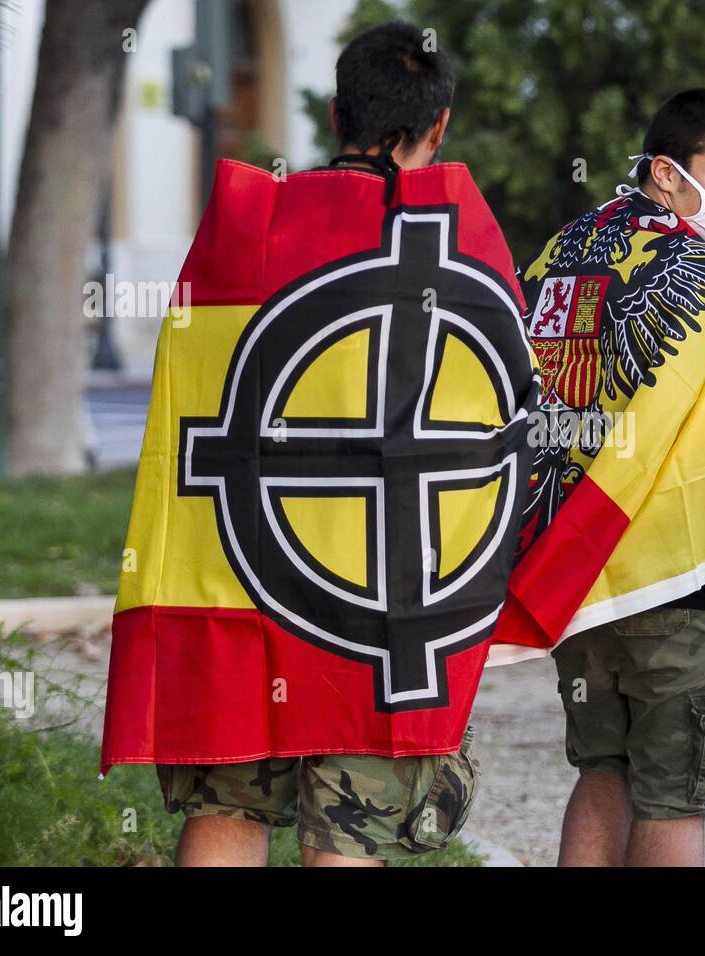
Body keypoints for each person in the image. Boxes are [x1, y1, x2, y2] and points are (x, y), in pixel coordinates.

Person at [110, 21, 537, 868]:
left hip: (238, 590)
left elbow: (193, 418)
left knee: (228, 811)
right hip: (382, 626)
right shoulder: (459, 245)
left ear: (337, 111)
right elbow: (505, 431)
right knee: (349, 834)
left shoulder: (245, 232)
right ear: (439, 125)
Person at [512, 90, 705, 867]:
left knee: (603, 772)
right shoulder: (700, 274)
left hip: (576, 573)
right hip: (674, 578)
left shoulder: (561, 254)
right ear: (667, 173)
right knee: (675, 796)